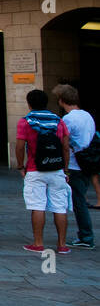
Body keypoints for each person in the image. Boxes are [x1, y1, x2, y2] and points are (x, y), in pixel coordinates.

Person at [17, 88, 72, 254]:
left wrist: (21, 166)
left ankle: (38, 243)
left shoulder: (25, 122)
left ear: (29, 103)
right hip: (56, 169)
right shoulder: (58, 121)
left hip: (35, 169)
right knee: (60, 207)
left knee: (37, 206)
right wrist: (66, 169)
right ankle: (62, 245)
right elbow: (65, 147)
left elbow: (20, 146)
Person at [56, 83, 96, 250]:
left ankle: (86, 237)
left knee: (78, 202)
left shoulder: (68, 119)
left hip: (74, 164)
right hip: (88, 162)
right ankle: (85, 235)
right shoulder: (87, 116)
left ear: (61, 100)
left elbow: (62, 141)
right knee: (81, 198)